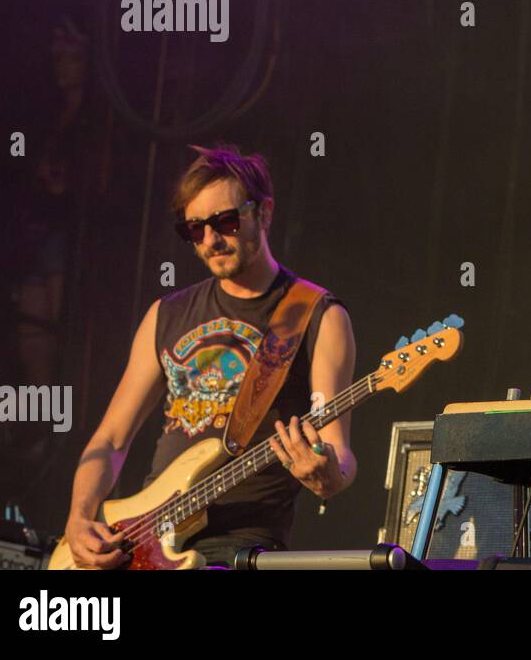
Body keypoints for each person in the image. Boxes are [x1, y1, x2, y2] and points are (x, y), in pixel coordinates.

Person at [64, 144, 357, 568]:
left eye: (226, 221)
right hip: (144, 537)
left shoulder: (316, 315)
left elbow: (338, 451)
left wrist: (326, 474)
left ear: (265, 212)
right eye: (194, 229)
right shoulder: (165, 315)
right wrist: (78, 518)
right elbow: (111, 439)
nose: (210, 240)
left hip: (240, 548)